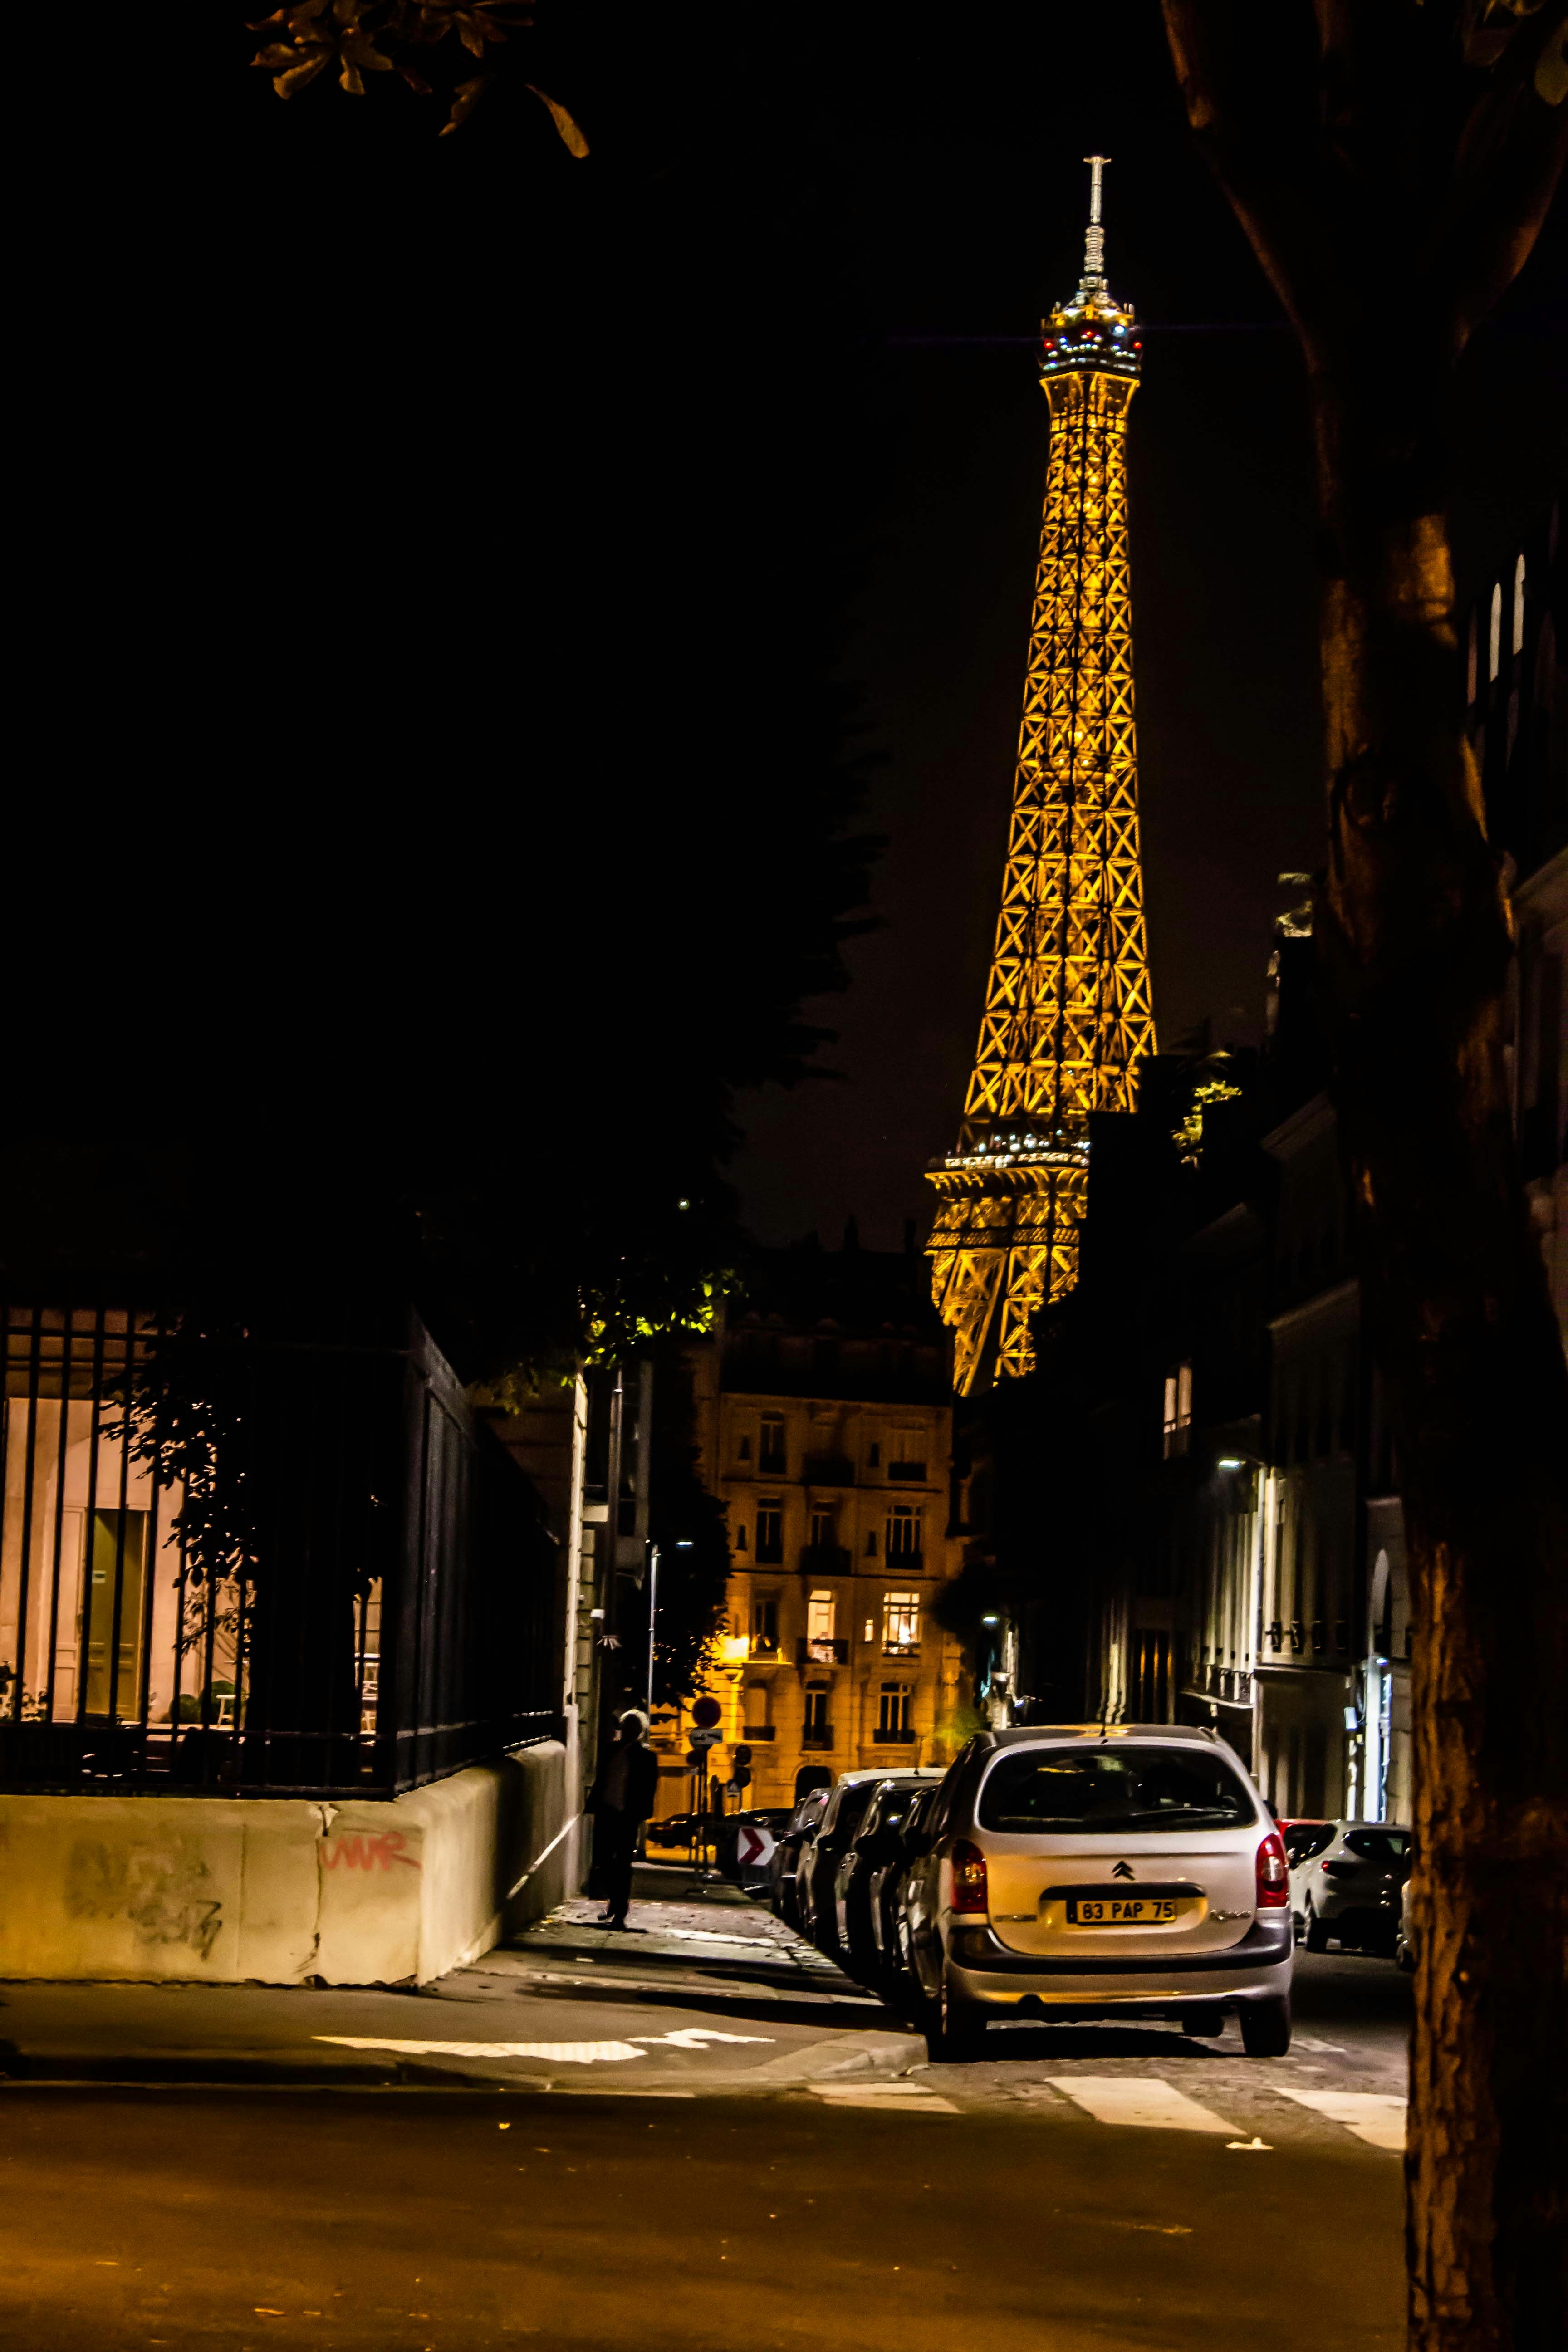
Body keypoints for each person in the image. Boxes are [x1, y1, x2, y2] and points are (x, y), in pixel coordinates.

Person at [587, 1709, 660, 1930]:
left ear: (640, 1732)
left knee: (623, 1864)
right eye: (626, 1727)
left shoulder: (646, 1758)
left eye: (634, 1729)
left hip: (628, 1816)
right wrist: (593, 1804)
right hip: (608, 1813)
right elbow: (601, 1780)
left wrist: (642, 1814)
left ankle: (620, 1911)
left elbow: (649, 1788)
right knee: (604, 1861)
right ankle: (613, 1902)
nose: (629, 1732)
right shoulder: (610, 1751)